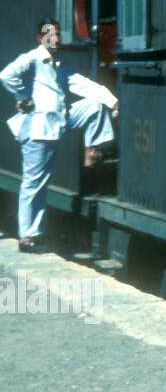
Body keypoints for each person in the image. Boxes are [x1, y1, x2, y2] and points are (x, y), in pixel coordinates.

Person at [1, 18, 118, 252]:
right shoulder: (33, 58)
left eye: (56, 35)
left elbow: (81, 84)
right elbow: (6, 75)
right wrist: (22, 98)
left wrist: (112, 100)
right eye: (49, 35)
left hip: (58, 122)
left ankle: (92, 149)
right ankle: (29, 237)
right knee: (34, 184)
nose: (54, 39)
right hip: (39, 131)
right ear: (39, 38)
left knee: (94, 105)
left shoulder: (58, 65)